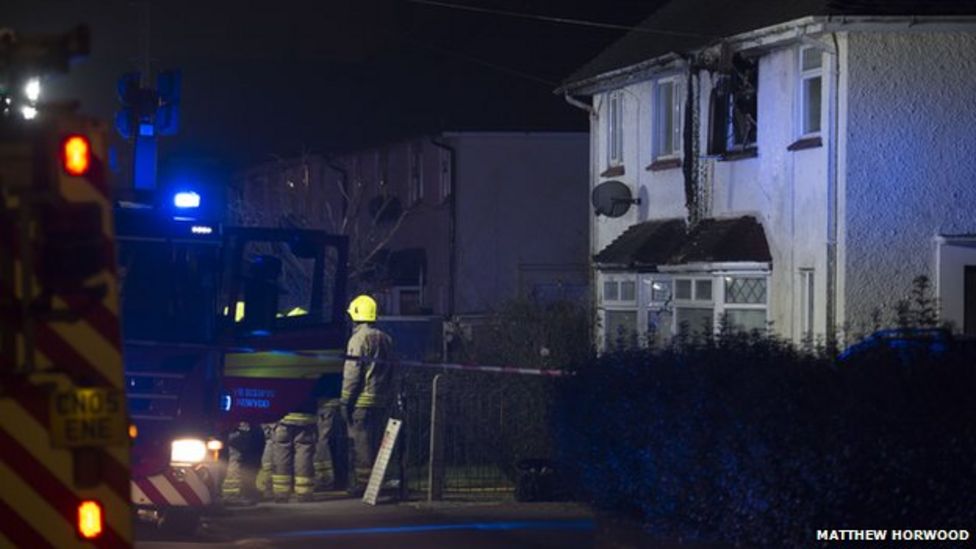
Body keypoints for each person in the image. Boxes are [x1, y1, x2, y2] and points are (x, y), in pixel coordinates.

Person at [340, 294, 394, 496]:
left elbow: (353, 372)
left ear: (355, 314)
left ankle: (363, 485)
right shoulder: (385, 338)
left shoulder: (358, 339)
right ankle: (378, 482)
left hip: (361, 401)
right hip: (381, 400)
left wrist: (346, 400)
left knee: (360, 444)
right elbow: (393, 371)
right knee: (377, 443)